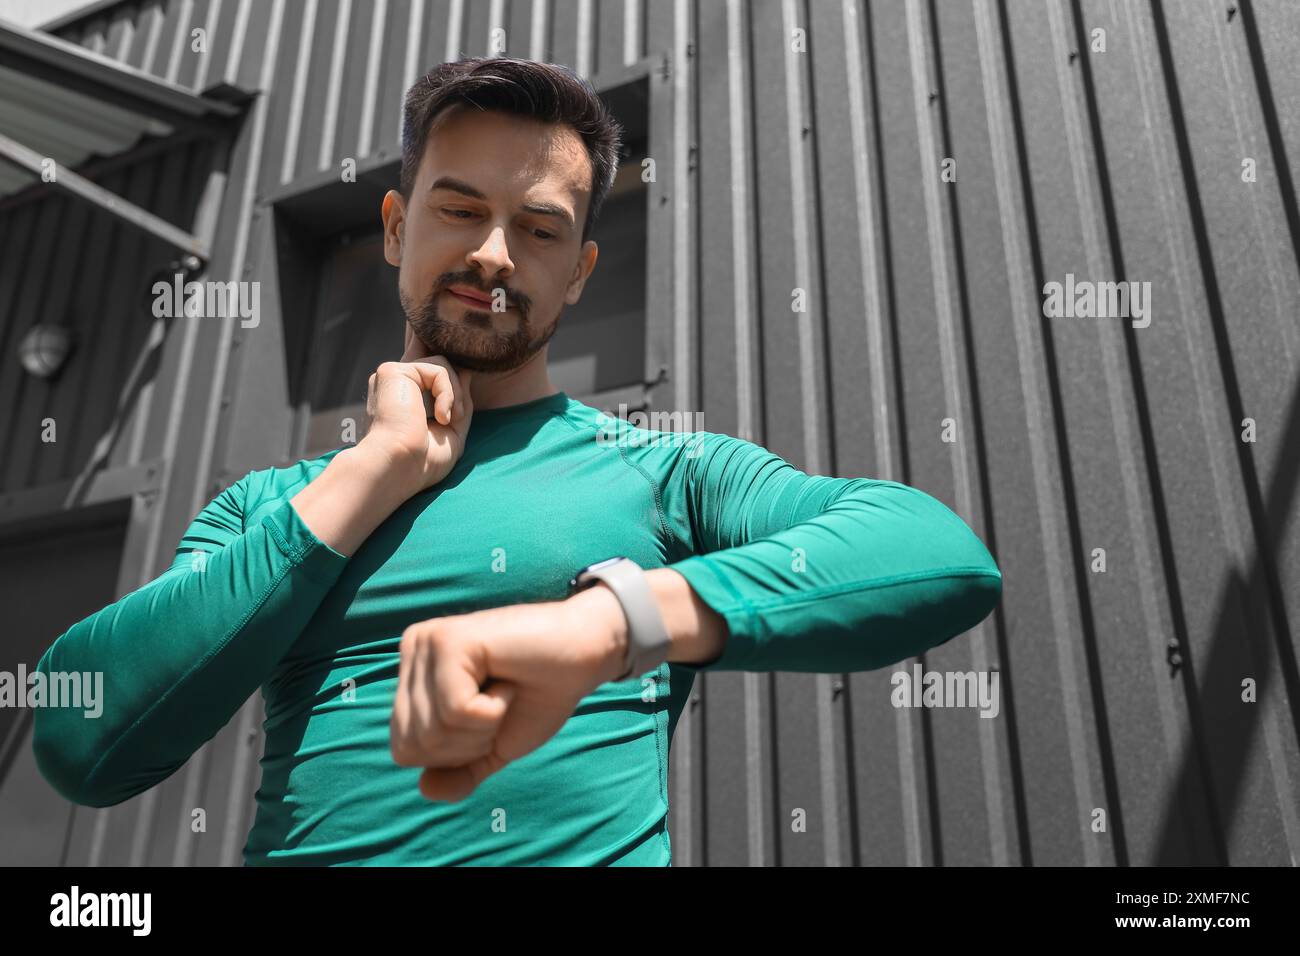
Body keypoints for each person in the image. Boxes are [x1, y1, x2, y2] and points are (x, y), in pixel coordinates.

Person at [33, 57, 1002, 865]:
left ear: (578, 270)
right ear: (395, 228)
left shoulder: (662, 470)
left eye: (539, 229)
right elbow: (84, 738)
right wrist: (373, 470)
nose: (495, 253)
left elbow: (937, 553)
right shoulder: (277, 502)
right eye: (458, 211)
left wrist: (609, 623)